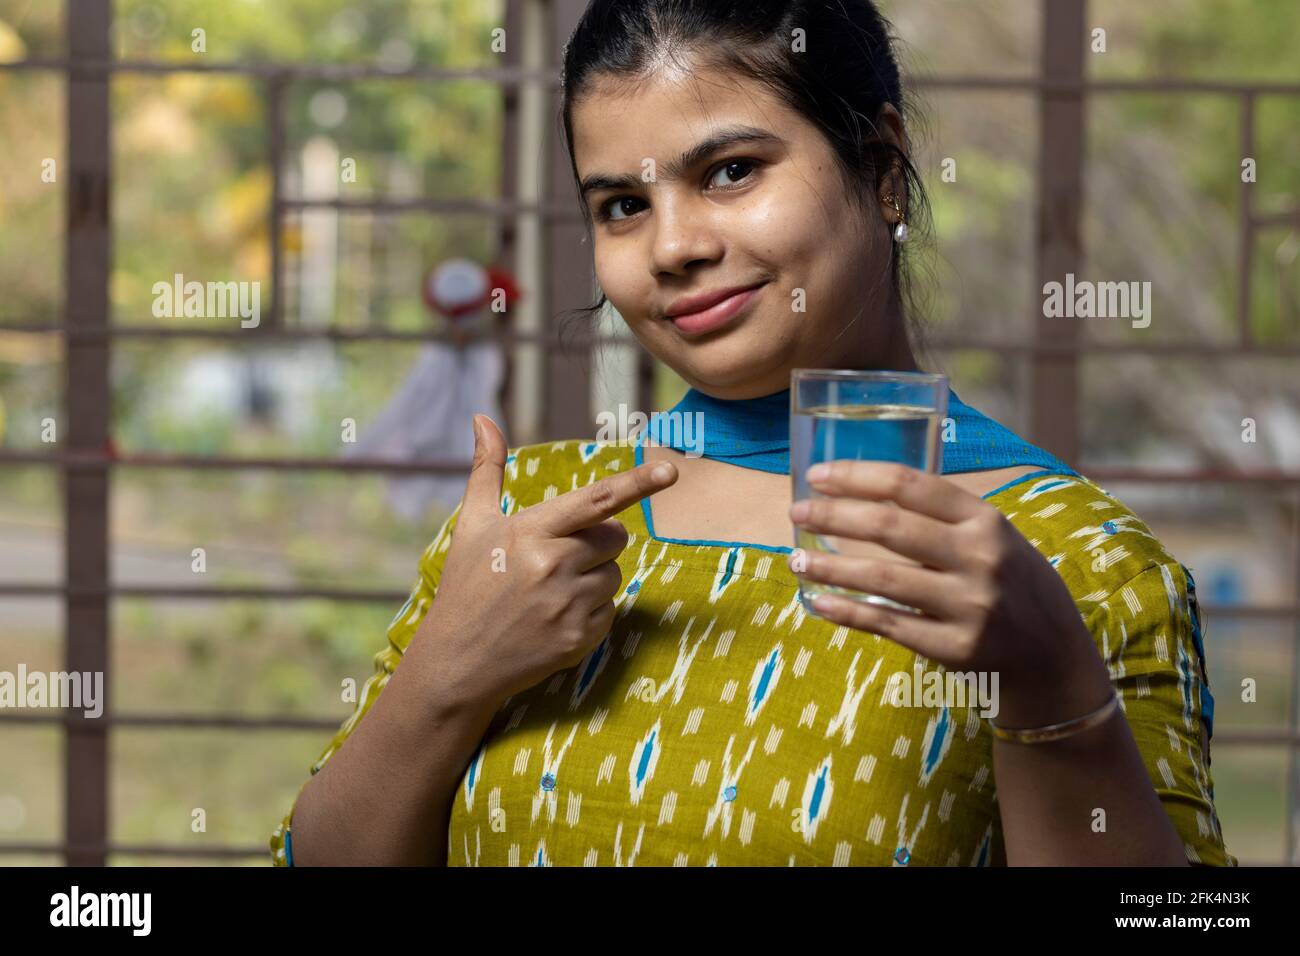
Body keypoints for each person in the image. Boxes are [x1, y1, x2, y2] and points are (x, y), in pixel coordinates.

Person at [269, 0, 1234, 867]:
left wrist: (1054, 691)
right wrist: (444, 680)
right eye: (623, 205)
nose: (673, 245)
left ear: (881, 167)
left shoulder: (1080, 562)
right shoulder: (530, 525)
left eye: (731, 172)